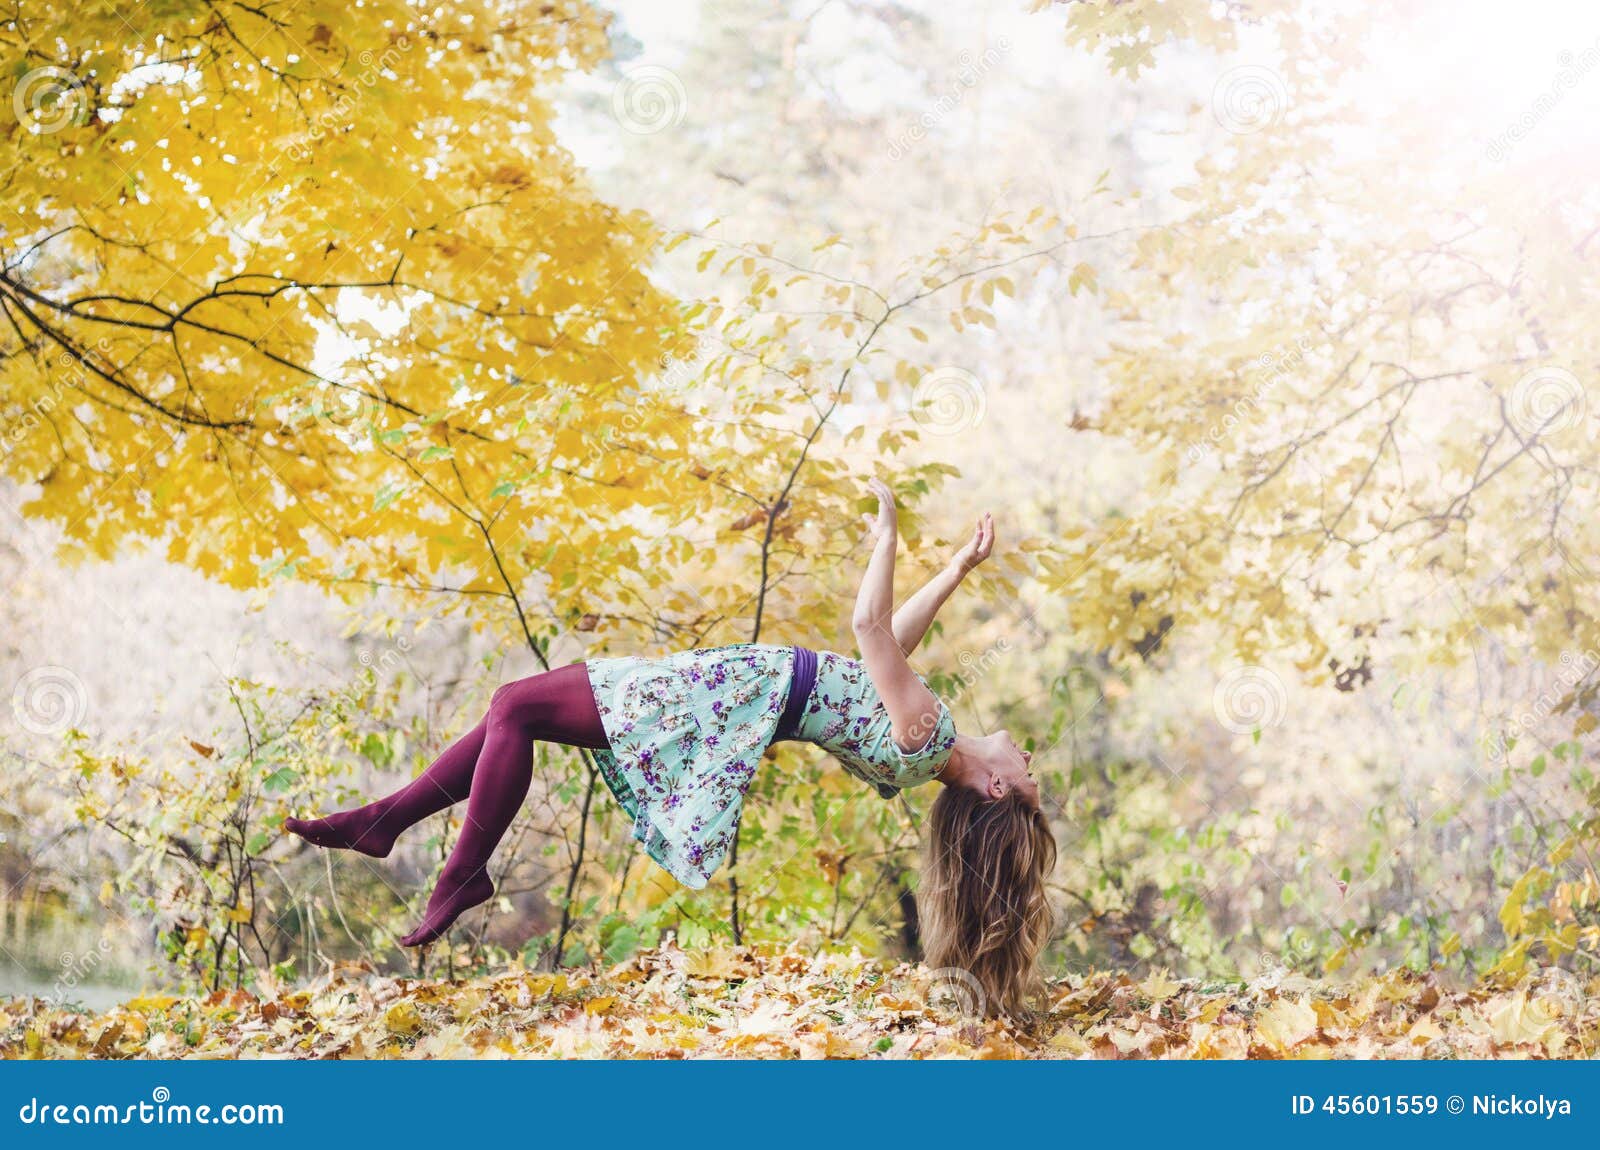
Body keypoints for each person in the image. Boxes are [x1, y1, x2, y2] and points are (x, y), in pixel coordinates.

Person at [286, 478, 1056, 1015]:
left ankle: (455, 870)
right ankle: (388, 824)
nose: (1030, 762)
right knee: (510, 712)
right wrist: (955, 567)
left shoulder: (929, 739)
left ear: (994, 790)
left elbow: (869, 629)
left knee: (514, 709)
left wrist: (887, 536)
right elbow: (884, 658)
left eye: (1030, 780)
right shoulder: (924, 740)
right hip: (728, 696)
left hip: (722, 701)